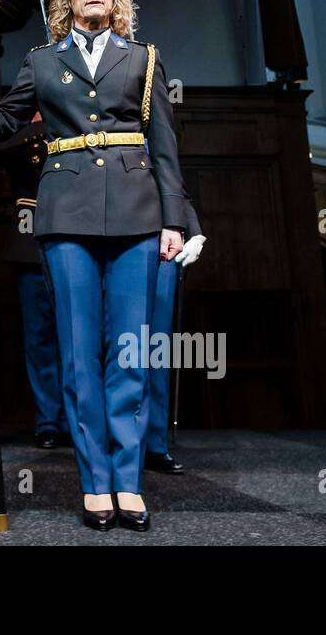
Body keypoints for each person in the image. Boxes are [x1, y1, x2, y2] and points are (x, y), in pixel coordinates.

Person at [0, 0, 186, 532]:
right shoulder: (42, 61)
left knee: (128, 353)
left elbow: (164, 145)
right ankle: (95, 484)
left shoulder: (144, 58)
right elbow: (4, 125)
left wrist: (174, 220)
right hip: (66, 215)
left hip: (137, 212)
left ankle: (128, 483)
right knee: (79, 357)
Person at [0, 117, 69, 448]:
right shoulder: (22, 132)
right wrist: (42, 121)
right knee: (39, 338)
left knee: (75, 336)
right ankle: (49, 420)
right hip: (30, 240)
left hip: (73, 235)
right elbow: (1, 146)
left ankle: (75, 418)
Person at [143, 198, 205, 474]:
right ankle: (114, 441)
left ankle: (154, 442)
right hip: (107, 236)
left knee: (155, 347)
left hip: (160, 238)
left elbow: (171, 181)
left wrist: (194, 229)